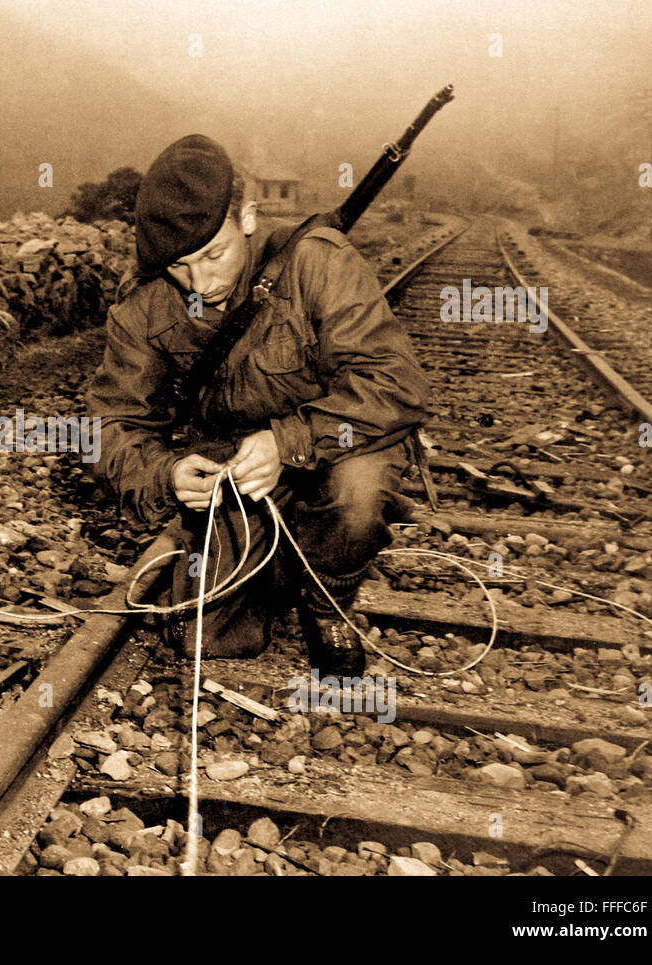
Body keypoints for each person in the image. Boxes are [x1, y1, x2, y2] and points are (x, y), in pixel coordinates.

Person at [86, 134, 430, 677]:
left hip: (339, 446)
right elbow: (109, 424)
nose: (201, 283)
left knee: (356, 495)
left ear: (246, 216)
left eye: (214, 255)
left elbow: (396, 383)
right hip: (237, 467)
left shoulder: (317, 262)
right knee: (207, 638)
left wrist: (287, 443)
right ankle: (288, 550)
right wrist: (166, 474)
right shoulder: (144, 304)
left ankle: (328, 597)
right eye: (180, 266)